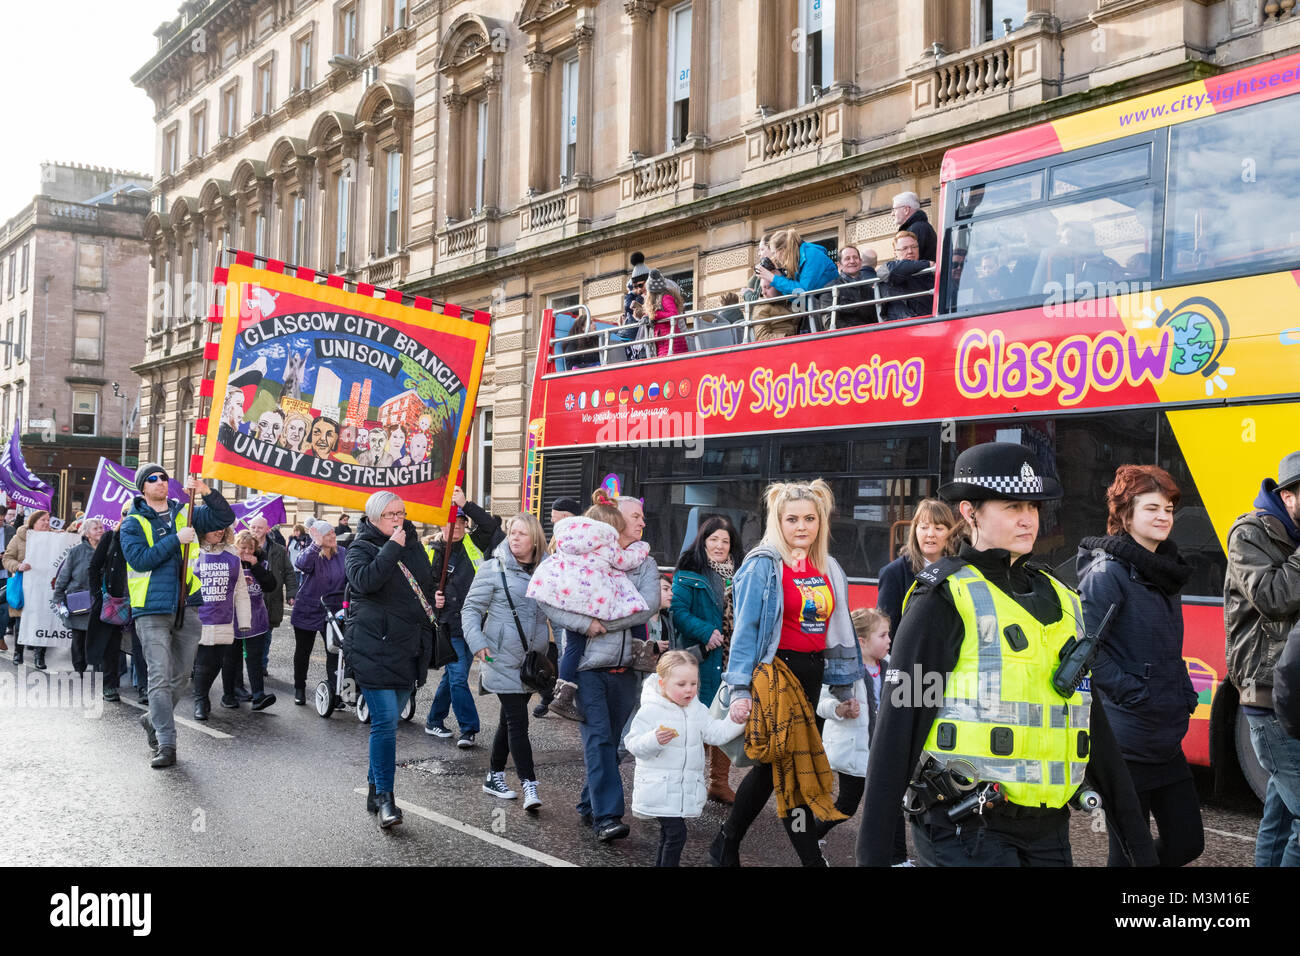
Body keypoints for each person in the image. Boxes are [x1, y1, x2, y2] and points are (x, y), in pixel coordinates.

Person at [857, 442, 1158, 866]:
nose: (1027, 519)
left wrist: (1137, 843)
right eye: (1012, 505)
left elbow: (1090, 724)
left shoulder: (1063, 598)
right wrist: (873, 857)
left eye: (1033, 507)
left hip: (1048, 828)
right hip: (964, 830)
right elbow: (897, 731)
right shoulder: (942, 599)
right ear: (968, 512)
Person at [709, 480, 862, 867]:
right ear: (778, 521)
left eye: (810, 518)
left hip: (813, 673)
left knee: (775, 768)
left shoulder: (829, 566)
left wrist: (844, 686)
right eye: (792, 519)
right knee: (789, 766)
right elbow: (744, 631)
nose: (801, 526)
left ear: (821, 521)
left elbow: (840, 630)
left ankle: (726, 841)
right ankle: (811, 858)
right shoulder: (763, 564)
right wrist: (740, 686)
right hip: (776, 673)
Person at [1077, 464, 1203, 867]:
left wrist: (1183, 689)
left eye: (1168, 508)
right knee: (1131, 853)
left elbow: (1167, 647)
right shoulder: (1107, 573)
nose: (1164, 516)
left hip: (1164, 737)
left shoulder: (1163, 572)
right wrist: (1133, 692)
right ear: (1125, 515)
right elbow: (1085, 649)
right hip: (1124, 742)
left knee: (1187, 843)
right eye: (1152, 508)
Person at [536, 494, 660, 843]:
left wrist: (601, 618)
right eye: (635, 516)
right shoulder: (576, 556)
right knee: (600, 739)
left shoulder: (644, 563)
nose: (642, 522)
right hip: (588, 669)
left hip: (627, 668)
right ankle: (608, 816)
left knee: (614, 745)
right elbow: (550, 600)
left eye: (642, 517)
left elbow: (646, 607)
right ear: (612, 520)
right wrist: (583, 622)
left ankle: (589, 803)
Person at [119, 464, 236, 769]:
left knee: (182, 677)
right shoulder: (133, 522)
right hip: (150, 609)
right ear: (143, 488)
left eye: (164, 478)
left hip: (187, 605)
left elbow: (225, 517)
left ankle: (152, 719)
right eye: (153, 479)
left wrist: (207, 491)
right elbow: (140, 560)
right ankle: (166, 743)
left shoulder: (186, 512)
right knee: (158, 677)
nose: (161, 482)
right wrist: (175, 540)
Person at [1224, 449, 1300, 866]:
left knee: (1283, 812)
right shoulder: (1250, 533)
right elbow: (1273, 597)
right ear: (1288, 496)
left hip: (1297, 690)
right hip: (1268, 693)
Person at [345, 491, 436, 829]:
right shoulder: (360, 547)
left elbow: (421, 582)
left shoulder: (411, 543)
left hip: (406, 647)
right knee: (384, 724)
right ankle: (386, 798)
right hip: (372, 647)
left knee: (391, 720)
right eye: (389, 514)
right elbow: (365, 581)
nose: (397, 519)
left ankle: (373, 788)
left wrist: (433, 598)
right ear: (373, 518)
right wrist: (392, 547)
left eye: (400, 512)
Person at [462, 513, 551, 812]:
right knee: (518, 721)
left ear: (535, 538)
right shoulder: (492, 568)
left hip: (531, 662)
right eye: (512, 532)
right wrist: (478, 643)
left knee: (507, 720)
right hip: (499, 655)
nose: (514, 538)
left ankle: (494, 774)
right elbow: (471, 609)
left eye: (522, 534)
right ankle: (529, 785)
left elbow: (557, 613)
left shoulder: (548, 571)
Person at [626, 651, 747, 866]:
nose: (689, 689)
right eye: (681, 684)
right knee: (676, 834)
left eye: (693, 683)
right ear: (663, 684)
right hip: (659, 790)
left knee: (668, 835)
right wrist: (654, 739)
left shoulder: (697, 709)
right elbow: (633, 743)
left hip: (681, 791)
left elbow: (714, 733)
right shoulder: (651, 710)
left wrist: (738, 720)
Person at [672, 514, 744, 804]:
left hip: (732, 661)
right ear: (702, 542)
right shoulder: (689, 573)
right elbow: (678, 612)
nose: (719, 545)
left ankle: (718, 783)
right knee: (697, 722)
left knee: (725, 718)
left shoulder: (740, 573)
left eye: (725, 541)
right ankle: (686, 783)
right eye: (713, 539)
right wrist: (705, 632)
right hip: (701, 659)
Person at [814, 607, 889, 842]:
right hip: (854, 751)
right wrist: (839, 709)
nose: (889, 640)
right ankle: (811, 835)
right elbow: (821, 701)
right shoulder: (844, 668)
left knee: (889, 806)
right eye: (883, 635)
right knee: (847, 806)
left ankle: (893, 854)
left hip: (881, 750)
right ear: (862, 641)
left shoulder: (890, 665)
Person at [424, 510, 483, 747]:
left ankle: (434, 719)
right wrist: (432, 598)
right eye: (451, 523)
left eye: (460, 522)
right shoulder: (431, 550)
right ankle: (468, 729)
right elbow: (419, 585)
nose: (456, 527)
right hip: (448, 624)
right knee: (458, 678)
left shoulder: (475, 547)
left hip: (474, 623)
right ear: (442, 526)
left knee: (451, 677)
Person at [876, 498, 961, 640]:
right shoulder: (894, 573)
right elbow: (888, 630)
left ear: (950, 533)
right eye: (924, 527)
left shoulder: (960, 569)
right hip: (915, 659)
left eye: (939, 528)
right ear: (915, 530)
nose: (930, 534)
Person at [191, 525, 252, 720]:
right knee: (202, 661)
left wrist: (244, 620)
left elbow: (241, 588)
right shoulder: (192, 550)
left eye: (222, 529)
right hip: (198, 616)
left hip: (224, 617)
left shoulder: (232, 552)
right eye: (214, 528)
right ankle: (200, 700)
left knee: (217, 661)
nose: (219, 531)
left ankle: (204, 694)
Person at [291, 519, 347, 706]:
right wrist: (315, 544)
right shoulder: (312, 552)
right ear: (319, 537)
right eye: (328, 533)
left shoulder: (343, 554)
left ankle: (335, 692)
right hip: (308, 608)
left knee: (335, 652)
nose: (333, 536)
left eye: (333, 532)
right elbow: (301, 564)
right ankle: (299, 687)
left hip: (333, 611)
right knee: (303, 651)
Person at [87, 504, 134, 702]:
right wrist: (98, 594)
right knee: (111, 643)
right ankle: (109, 684)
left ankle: (143, 687)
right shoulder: (110, 537)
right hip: (115, 599)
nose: (129, 516)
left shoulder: (146, 537)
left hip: (140, 600)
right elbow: (94, 567)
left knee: (141, 646)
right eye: (125, 513)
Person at [227, 530, 278, 711]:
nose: (246, 552)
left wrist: (256, 566)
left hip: (256, 618)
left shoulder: (261, 563)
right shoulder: (230, 562)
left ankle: (258, 696)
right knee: (232, 658)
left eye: (250, 549)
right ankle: (231, 692)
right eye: (243, 548)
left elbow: (271, 585)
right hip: (232, 619)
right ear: (235, 547)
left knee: (254, 658)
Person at [754, 229, 838, 334]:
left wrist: (773, 278)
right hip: (815, 307)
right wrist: (779, 276)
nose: (774, 257)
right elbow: (797, 298)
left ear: (783, 250)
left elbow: (802, 291)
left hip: (830, 307)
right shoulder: (798, 260)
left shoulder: (812, 255)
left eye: (774, 253)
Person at [248, 514, 296, 679]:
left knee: (266, 635)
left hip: (270, 598)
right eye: (253, 527)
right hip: (247, 600)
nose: (255, 530)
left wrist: (291, 594)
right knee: (245, 636)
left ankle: (261, 665)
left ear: (267, 529)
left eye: (259, 528)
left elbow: (289, 572)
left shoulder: (278, 550)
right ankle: (248, 665)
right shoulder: (243, 546)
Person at [54, 517, 105, 674]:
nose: (100, 530)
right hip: (80, 599)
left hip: (101, 600)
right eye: (96, 528)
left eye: (101, 527)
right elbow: (64, 576)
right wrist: (58, 599)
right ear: (87, 533)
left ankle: (99, 669)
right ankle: (79, 669)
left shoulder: (108, 549)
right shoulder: (76, 552)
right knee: (78, 637)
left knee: (99, 636)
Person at [4, 510, 51, 669]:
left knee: (42, 620)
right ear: (33, 522)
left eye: (48, 520)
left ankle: (40, 656)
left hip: (45, 587)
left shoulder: (54, 538)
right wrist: (18, 566)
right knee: (21, 620)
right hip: (23, 586)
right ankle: (18, 652)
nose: (46, 523)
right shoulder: (19, 538)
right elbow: (7, 558)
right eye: (43, 520)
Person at [878, 231, 934, 320]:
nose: (910, 251)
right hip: (906, 323)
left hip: (931, 321)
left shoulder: (927, 273)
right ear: (895, 253)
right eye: (905, 248)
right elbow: (890, 272)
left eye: (914, 247)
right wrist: (927, 264)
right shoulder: (887, 267)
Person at [830, 245, 879, 327]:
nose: (852, 261)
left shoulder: (870, 290)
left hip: (872, 335)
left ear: (860, 262)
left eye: (855, 257)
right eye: (847, 258)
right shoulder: (831, 289)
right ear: (839, 265)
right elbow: (830, 322)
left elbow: (878, 317)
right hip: (846, 336)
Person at [645, 269, 687, 357]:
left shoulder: (665, 297)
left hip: (671, 344)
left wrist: (656, 315)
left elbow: (673, 314)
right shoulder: (659, 300)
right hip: (665, 343)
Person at [892, 190, 937, 262]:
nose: (892, 214)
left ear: (906, 209)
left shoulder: (916, 229)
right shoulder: (920, 227)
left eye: (894, 209)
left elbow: (910, 262)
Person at [749, 277, 797, 342]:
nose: (763, 292)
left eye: (767, 287)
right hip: (783, 344)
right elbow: (762, 337)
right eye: (761, 288)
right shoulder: (761, 306)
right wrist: (788, 338)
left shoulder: (789, 300)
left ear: (778, 286)